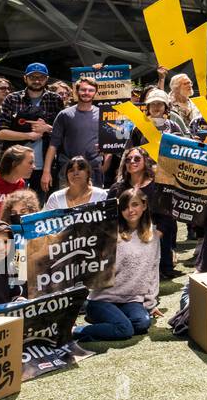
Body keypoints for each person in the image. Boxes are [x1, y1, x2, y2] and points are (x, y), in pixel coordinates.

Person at [74, 188, 161, 343]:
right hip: (103, 298)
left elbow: (153, 269)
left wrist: (150, 303)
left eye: (135, 205)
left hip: (131, 300)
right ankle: (75, 331)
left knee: (142, 324)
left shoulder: (153, 235)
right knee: (124, 330)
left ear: (144, 205)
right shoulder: (111, 232)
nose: (130, 210)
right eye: (125, 207)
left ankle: (111, 321)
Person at [0, 62, 64, 200]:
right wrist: (28, 135)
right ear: (25, 78)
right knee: (12, 206)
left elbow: (64, 133)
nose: (37, 81)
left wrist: (48, 129)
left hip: (44, 166)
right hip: (16, 165)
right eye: (33, 77)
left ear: (47, 79)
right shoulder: (12, 99)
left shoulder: (55, 99)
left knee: (38, 207)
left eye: (41, 77)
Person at [110, 148, 176, 278]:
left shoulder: (159, 186)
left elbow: (168, 216)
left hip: (154, 235)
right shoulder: (116, 189)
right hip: (125, 236)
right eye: (128, 160)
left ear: (146, 161)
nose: (132, 162)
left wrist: (155, 237)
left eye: (137, 158)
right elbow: (110, 217)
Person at [44, 77, 104, 193]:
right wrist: (46, 172)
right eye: (83, 90)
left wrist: (104, 152)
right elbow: (53, 145)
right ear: (76, 92)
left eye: (91, 90)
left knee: (93, 208)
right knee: (67, 207)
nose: (87, 93)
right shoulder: (64, 115)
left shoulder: (103, 114)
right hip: (68, 169)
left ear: (95, 93)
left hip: (93, 169)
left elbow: (109, 144)